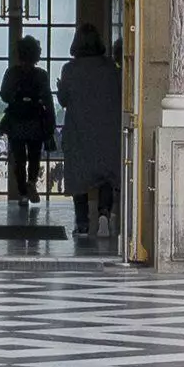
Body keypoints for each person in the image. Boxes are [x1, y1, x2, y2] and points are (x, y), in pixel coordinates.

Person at [56, 23, 124, 247]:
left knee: (79, 175)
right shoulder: (111, 68)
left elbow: (65, 100)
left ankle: (82, 223)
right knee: (106, 174)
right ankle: (104, 214)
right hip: (106, 126)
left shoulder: (70, 69)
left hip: (79, 127)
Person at [0, 34, 56, 216]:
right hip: (35, 120)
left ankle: (22, 193)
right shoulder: (41, 75)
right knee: (34, 156)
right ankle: (32, 181)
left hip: (16, 119)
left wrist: (17, 98)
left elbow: (4, 95)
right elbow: (47, 99)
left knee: (18, 158)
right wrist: (50, 123)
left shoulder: (12, 73)